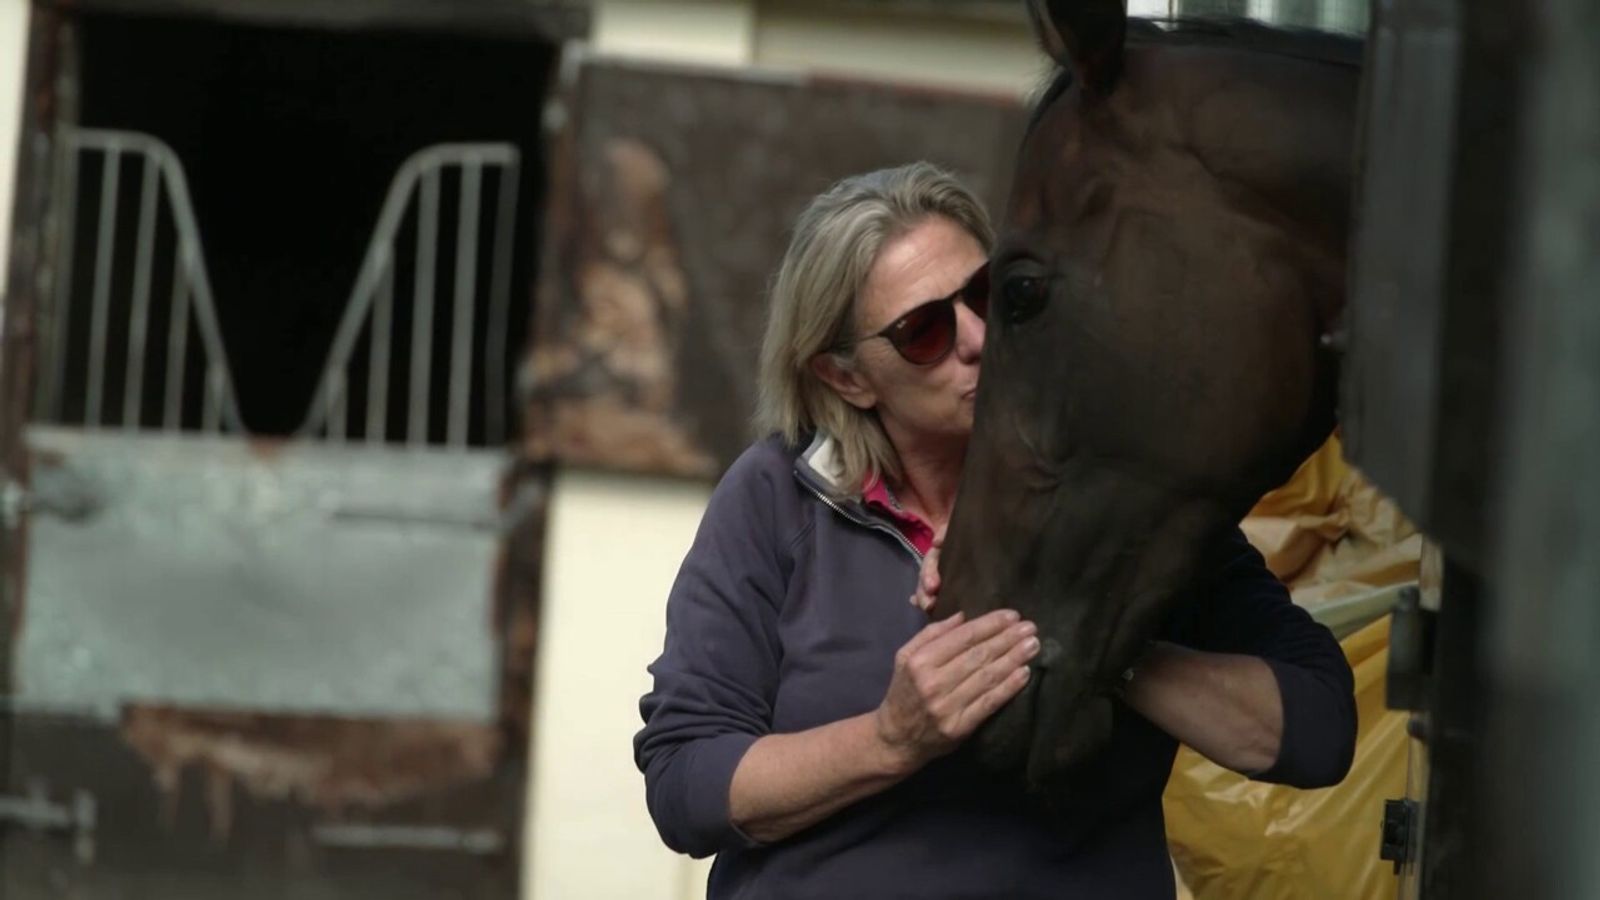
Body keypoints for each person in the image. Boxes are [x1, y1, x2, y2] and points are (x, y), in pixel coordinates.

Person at [634, 162, 1356, 898]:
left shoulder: (1124, 493)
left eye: (989, 296)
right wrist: (891, 737)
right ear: (846, 377)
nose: (979, 339)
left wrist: (1089, 636)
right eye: (925, 332)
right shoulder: (778, 497)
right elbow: (685, 783)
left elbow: (1319, 730)